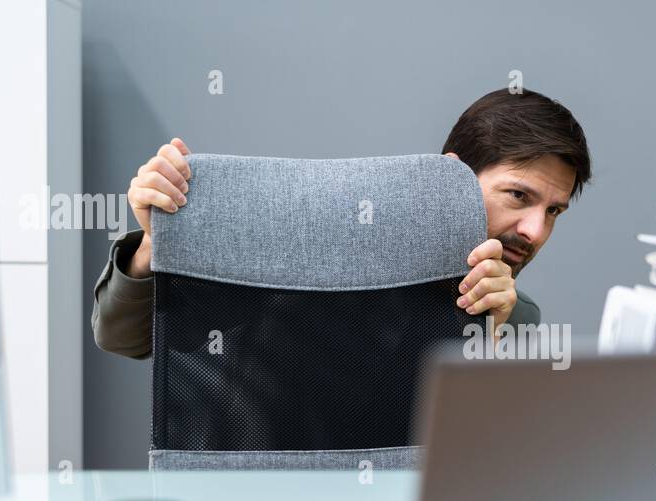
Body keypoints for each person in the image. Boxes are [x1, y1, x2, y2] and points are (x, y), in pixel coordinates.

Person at [92, 88, 592, 358]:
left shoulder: (516, 315)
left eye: (554, 211)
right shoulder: (314, 249)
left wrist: (494, 336)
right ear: (453, 177)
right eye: (518, 196)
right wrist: (161, 248)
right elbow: (124, 341)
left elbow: (490, 467)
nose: (535, 231)